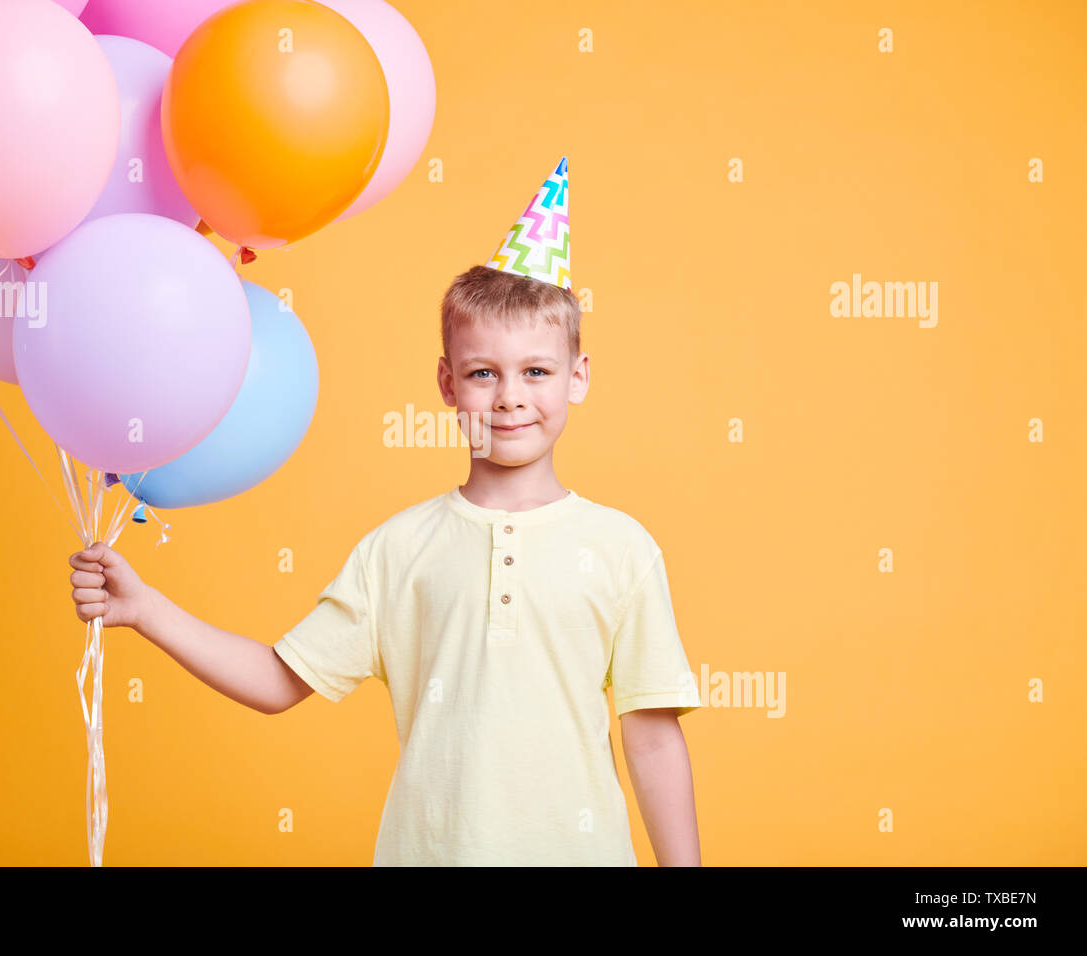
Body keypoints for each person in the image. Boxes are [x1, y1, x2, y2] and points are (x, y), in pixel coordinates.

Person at [69, 156, 703, 865]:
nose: (510, 397)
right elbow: (280, 680)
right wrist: (145, 608)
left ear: (576, 377)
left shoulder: (623, 549)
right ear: (446, 381)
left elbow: (650, 734)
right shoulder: (397, 551)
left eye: (537, 371)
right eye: (483, 373)